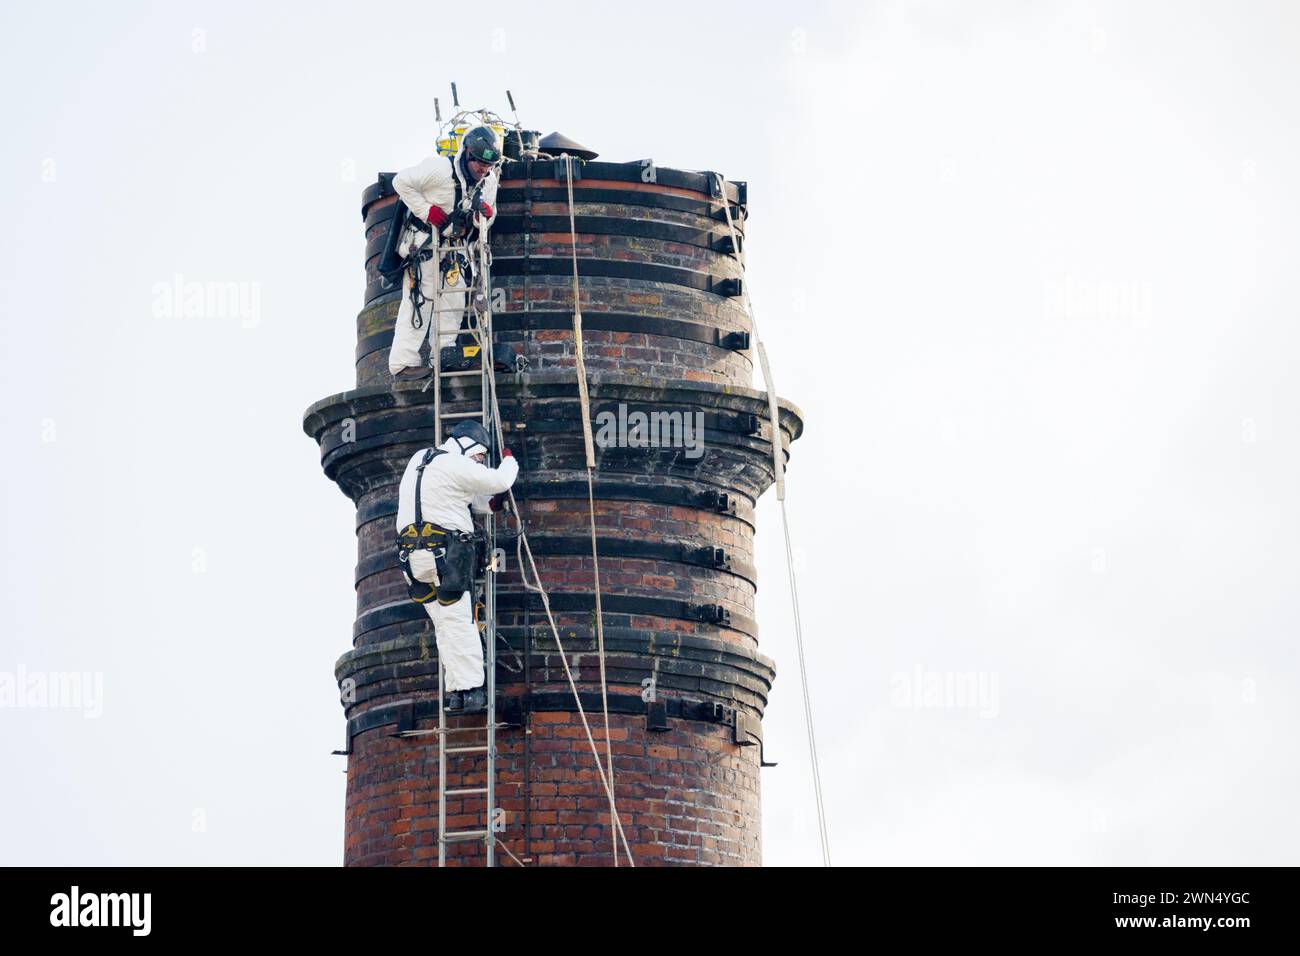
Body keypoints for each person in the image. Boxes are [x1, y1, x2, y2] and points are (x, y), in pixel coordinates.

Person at [394, 420, 517, 712]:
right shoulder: (456, 463)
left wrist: (492, 505)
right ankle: (472, 691)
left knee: (444, 625)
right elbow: (500, 481)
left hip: (413, 560)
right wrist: (509, 459)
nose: (479, 462)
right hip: (447, 557)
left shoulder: (421, 460)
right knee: (460, 622)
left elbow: (460, 497)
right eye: (479, 457)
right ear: (468, 446)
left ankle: (456, 694)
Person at [387, 126, 503, 379]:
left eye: (489, 165)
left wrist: (483, 216)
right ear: (468, 156)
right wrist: (426, 210)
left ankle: (443, 355)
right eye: (480, 164)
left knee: (453, 301)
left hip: (456, 248)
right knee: (420, 300)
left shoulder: (489, 181)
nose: (484, 170)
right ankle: (403, 363)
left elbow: (487, 217)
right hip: (426, 244)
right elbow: (401, 182)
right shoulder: (439, 170)